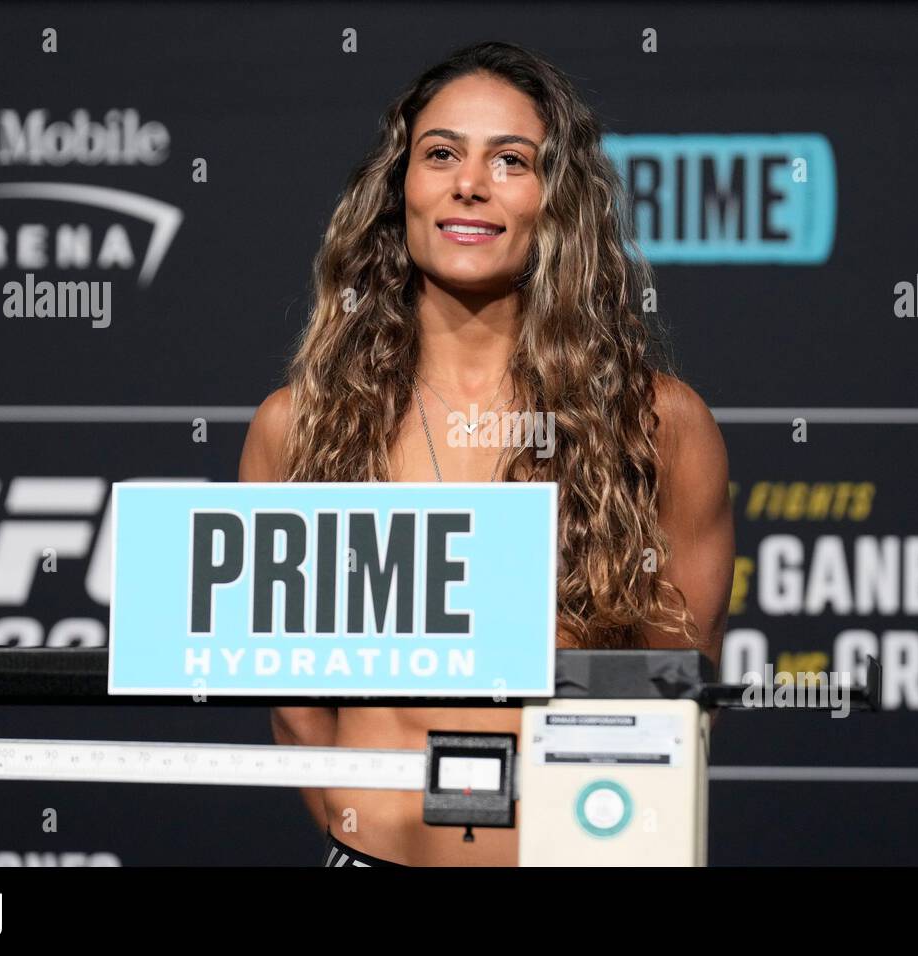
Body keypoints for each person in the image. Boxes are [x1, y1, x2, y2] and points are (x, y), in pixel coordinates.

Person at [238, 40, 734, 866]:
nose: (470, 183)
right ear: (401, 190)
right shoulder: (299, 428)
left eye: (511, 160)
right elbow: (293, 703)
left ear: (559, 201)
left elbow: (676, 699)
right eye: (441, 155)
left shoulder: (656, 426)